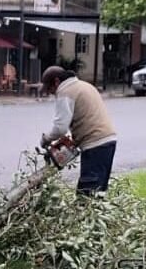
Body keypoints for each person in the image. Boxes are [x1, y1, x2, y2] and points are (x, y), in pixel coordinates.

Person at [39, 65, 117, 195]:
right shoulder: (83, 85)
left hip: (95, 144)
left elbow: (60, 128)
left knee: (86, 193)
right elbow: (85, 117)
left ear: (57, 81)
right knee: (98, 191)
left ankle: (86, 212)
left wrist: (45, 139)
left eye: (50, 88)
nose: (51, 93)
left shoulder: (65, 91)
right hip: (108, 141)